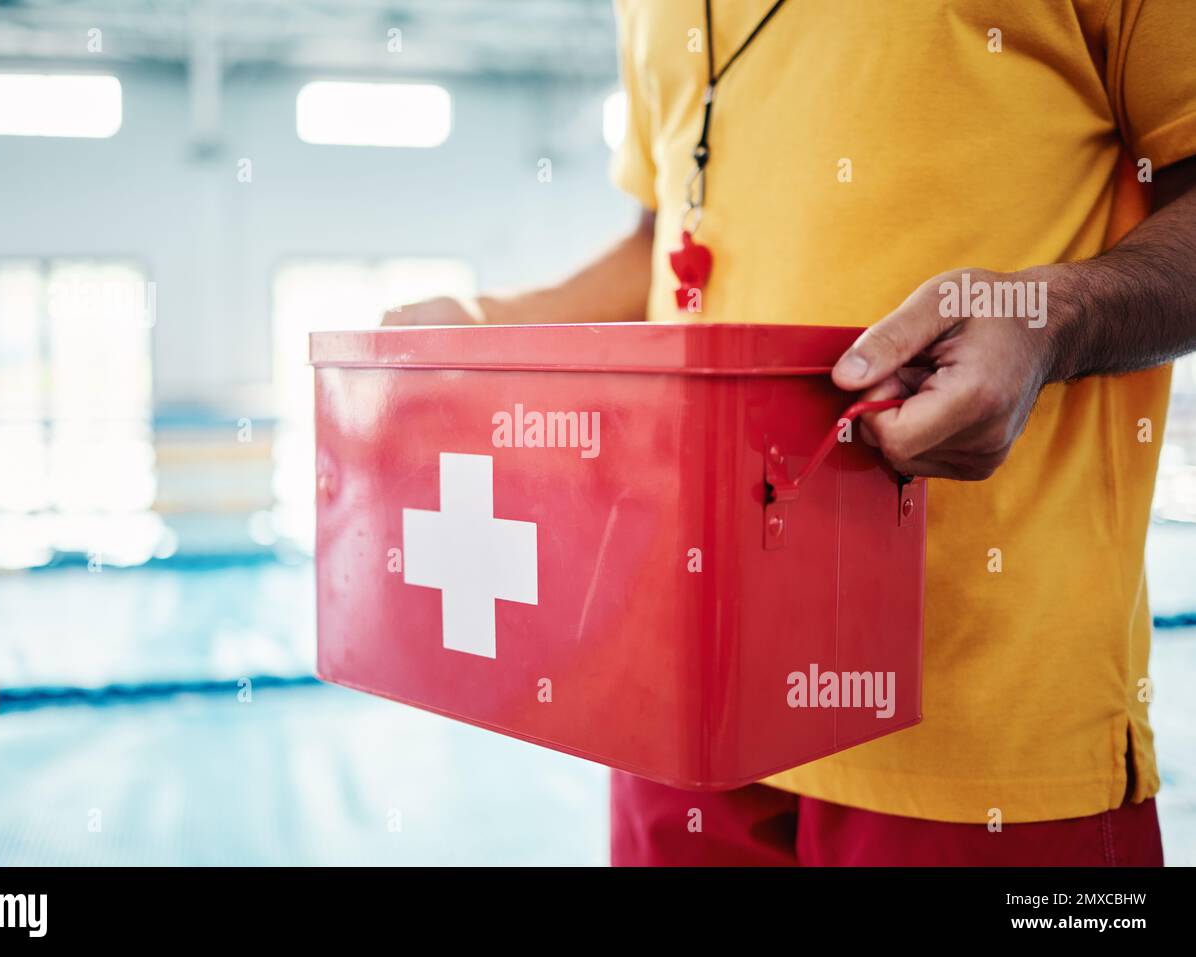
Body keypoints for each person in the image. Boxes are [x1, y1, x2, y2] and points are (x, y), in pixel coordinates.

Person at [387, 0, 1196, 866]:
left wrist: (1048, 321)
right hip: (681, 692)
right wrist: (482, 326)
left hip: (977, 727)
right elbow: (669, 250)